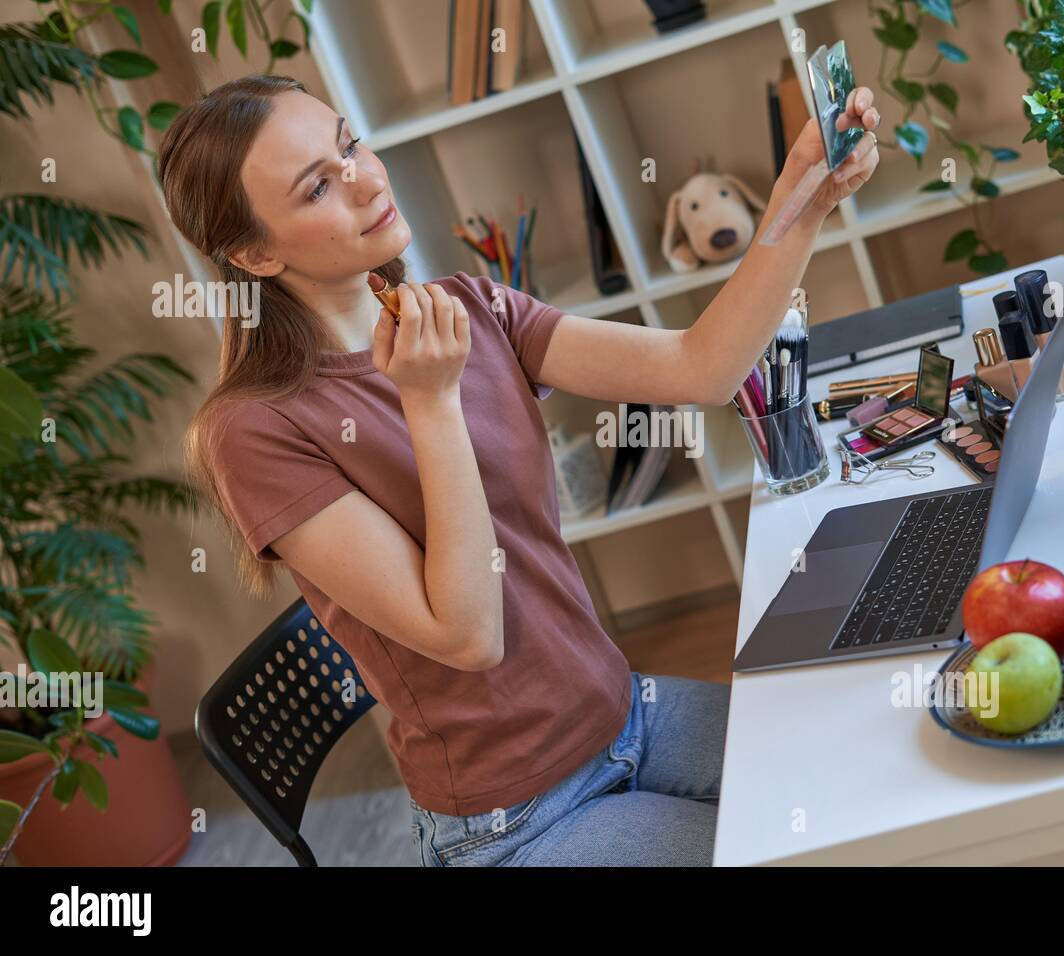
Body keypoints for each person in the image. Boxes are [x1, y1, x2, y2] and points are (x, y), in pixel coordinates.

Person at [158, 74, 880, 866]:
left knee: (856, 782)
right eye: (319, 186)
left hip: (622, 714)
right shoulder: (255, 428)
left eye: (349, 144)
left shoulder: (467, 305)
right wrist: (431, 403)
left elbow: (699, 369)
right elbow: (466, 635)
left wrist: (804, 198)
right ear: (255, 252)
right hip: (512, 818)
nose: (365, 179)